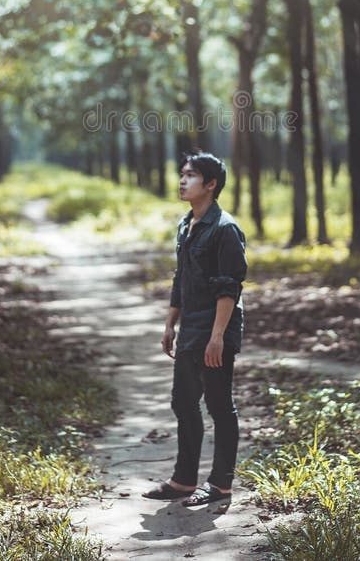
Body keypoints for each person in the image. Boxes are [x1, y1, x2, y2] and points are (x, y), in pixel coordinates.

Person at [143, 151, 247, 507]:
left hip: (216, 331)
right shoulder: (186, 224)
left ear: (211, 184)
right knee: (183, 402)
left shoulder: (225, 229)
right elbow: (181, 278)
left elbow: (229, 288)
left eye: (190, 175)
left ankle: (221, 484)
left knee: (219, 405)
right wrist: (170, 323)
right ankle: (184, 479)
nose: (182, 180)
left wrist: (217, 337)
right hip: (190, 330)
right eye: (182, 174)